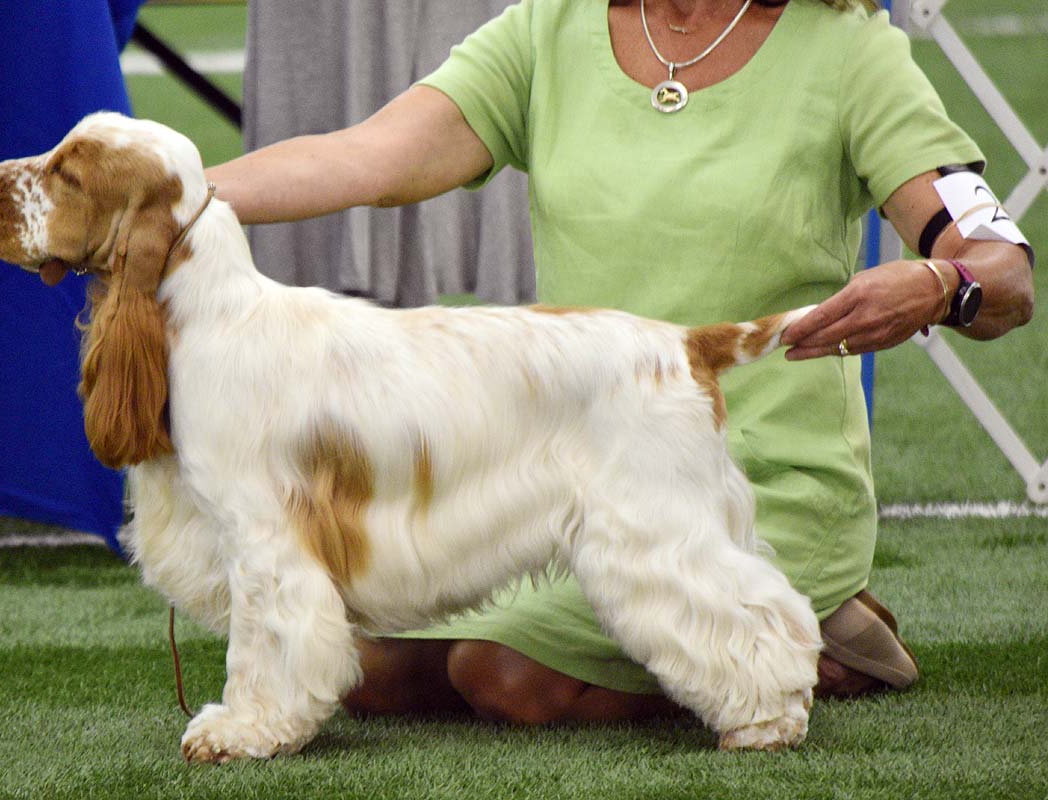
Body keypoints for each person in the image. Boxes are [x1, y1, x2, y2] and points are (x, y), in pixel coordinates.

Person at [206, 0, 1034, 724]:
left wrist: (940, 282)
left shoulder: (849, 48)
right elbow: (369, 158)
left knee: (502, 678)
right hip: (563, 476)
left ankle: (793, 640)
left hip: (754, 471)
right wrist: (172, 190)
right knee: (367, 670)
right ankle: (771, 622)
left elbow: (1004, 272)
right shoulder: (548, 28)